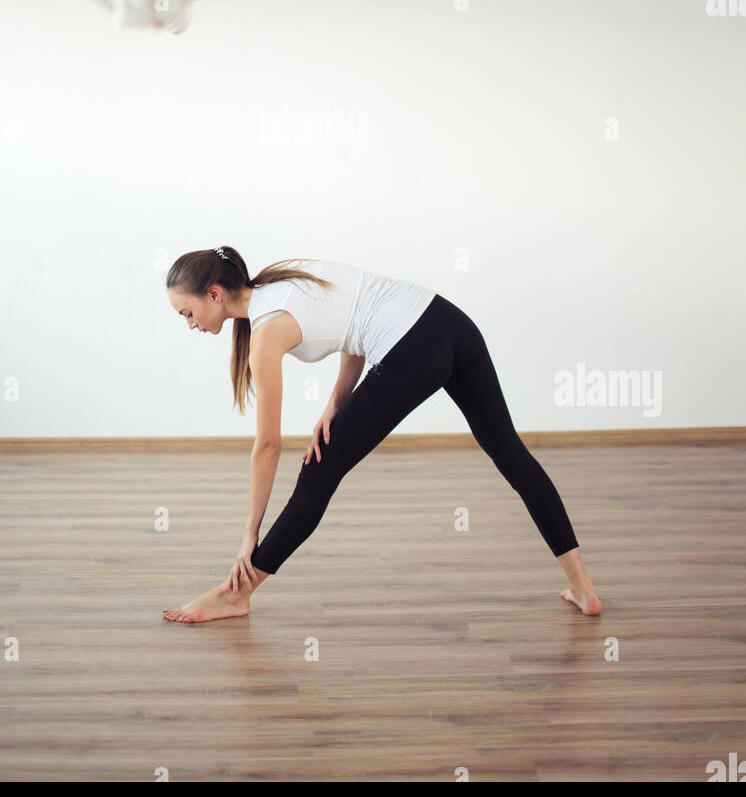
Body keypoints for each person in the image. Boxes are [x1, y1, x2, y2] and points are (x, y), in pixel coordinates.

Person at [163, 246, 601, 624]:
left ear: (214, 295)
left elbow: (268, 446)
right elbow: (351, 324)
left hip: (412, 349)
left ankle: (237, 593)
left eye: (187, 313)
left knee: (319, 471)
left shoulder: (266, 332)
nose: (190, 324)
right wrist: (336, 403)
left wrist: (248, 535)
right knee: (510, 453)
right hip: (449, 322)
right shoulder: (286, 274)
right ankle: (583, 589)